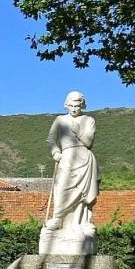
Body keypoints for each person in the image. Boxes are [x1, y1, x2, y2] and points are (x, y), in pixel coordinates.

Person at [45, 91, 99, 235]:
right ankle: (58, 218)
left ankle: (82, 221)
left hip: (84, 158)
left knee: (82, 193)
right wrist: (55, 152)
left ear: (82, 105)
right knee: (61, 187)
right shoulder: (60, 120)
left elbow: (89, 142)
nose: (74, 109)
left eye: (77, 106)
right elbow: (51, 139)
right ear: (66, 105)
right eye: (71, 106)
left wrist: (78, 132)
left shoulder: (89, 120)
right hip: (67, 157)